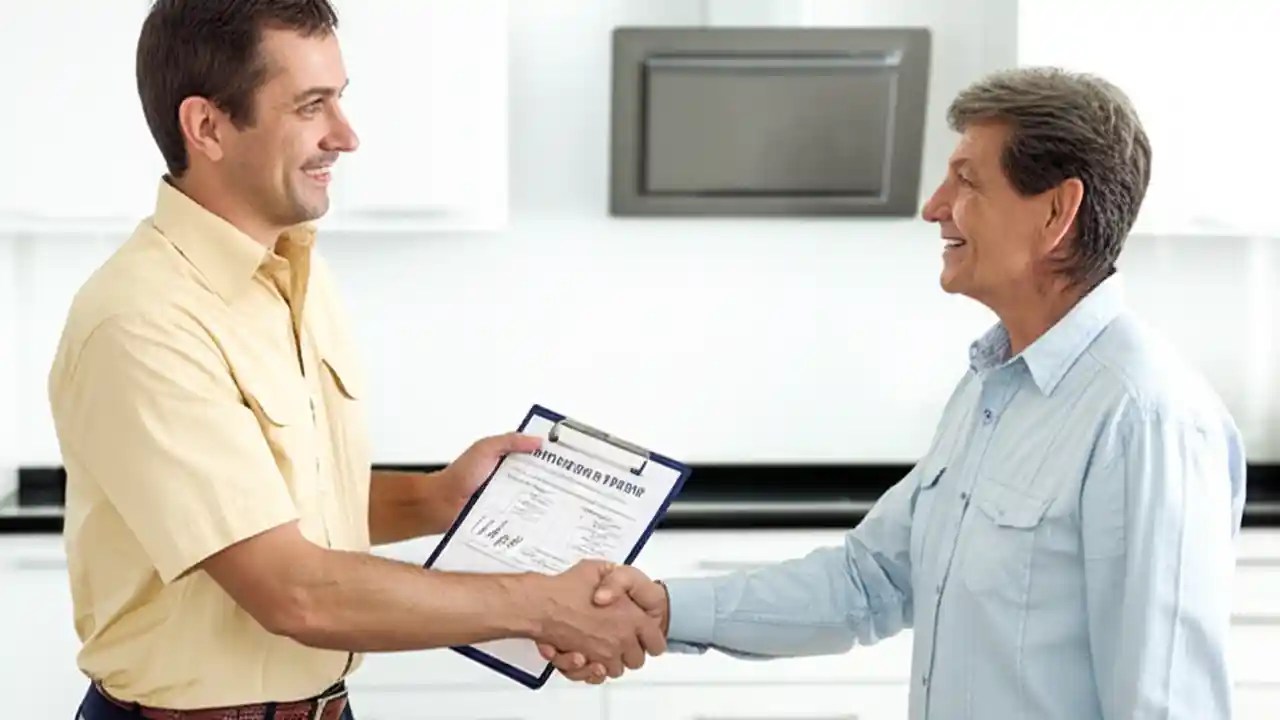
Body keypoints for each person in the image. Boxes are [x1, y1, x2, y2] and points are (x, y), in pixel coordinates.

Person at [541, 67, 1247, 719]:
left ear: (1057, 213)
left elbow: (1168, 705)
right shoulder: (993, 388)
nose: (934, 207)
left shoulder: (1145, 418)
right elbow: (868, 580)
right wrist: (665, 608)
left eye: (967, 181)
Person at [47, 2, 663, 718]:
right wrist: (541, 606)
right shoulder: (144, 321)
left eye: (340, 99)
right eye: (312, 106)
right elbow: (292, 590)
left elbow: (264, 504)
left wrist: (434, 501)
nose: (346, 135)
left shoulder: (294, 274)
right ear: (207, 127)